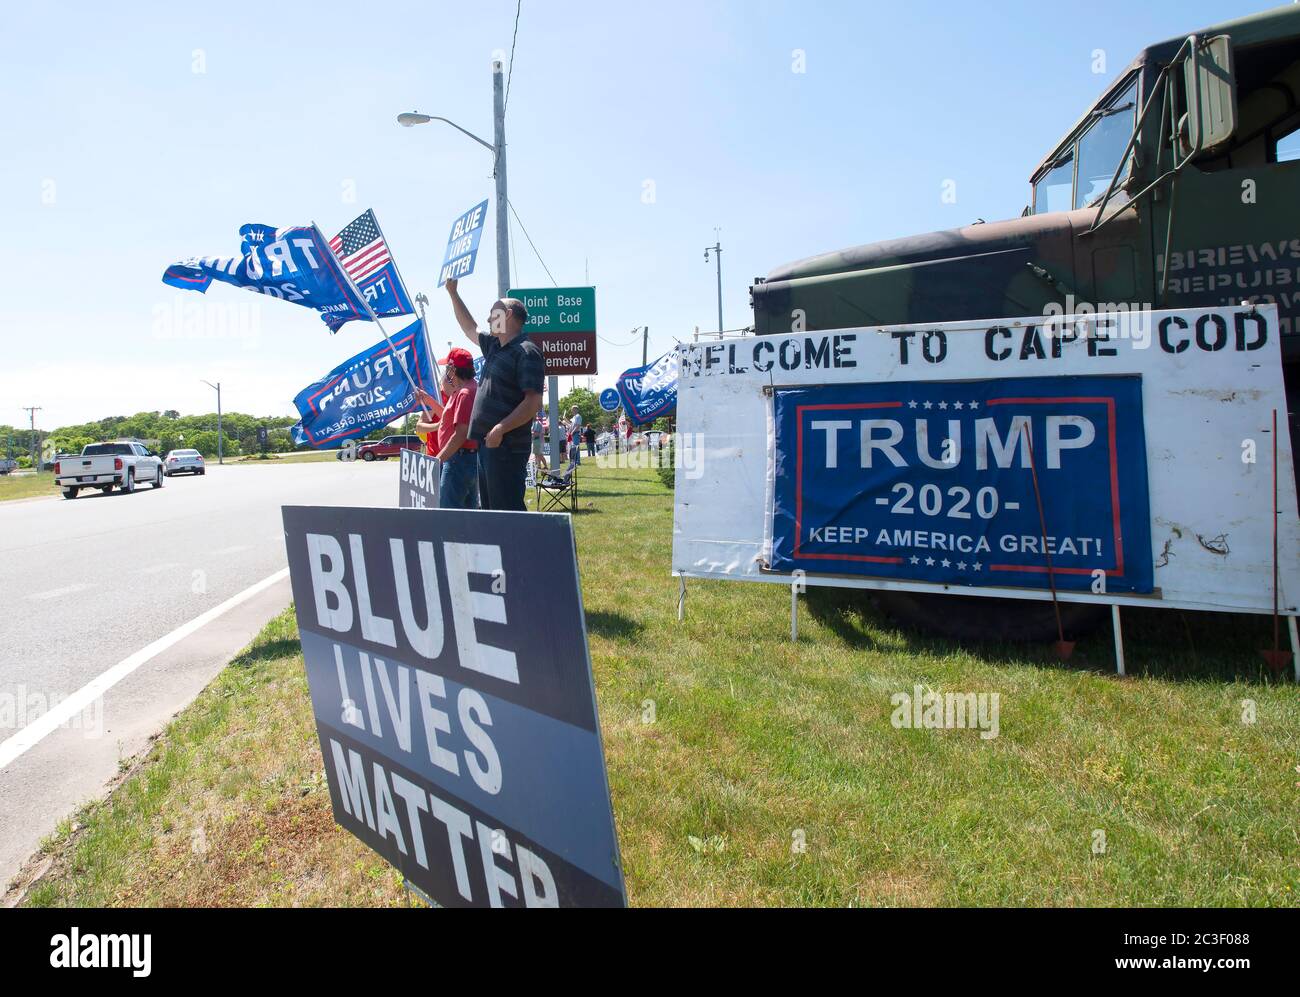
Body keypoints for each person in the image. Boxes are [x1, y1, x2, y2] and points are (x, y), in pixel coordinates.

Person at [445, 278, 543, 511]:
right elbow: (470, 327)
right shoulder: (494, 346)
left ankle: (521, 549)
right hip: (488, 445)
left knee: (507, 513)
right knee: (491, 512)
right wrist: (453, 293)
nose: (489, 319)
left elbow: (533, 402)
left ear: (507, 314)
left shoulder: (527, 352)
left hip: (506, 447)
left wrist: (501, 428)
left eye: (493, 314)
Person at [414, 348, 479, 509]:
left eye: (448, 369)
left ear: (453, 370)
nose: (446, 373)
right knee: (467, 514)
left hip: (459, 460)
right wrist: (429, 400)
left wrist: (437, 460)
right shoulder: (469, 389)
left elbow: (460, 434)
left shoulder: (464, 393)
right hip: (467, 459)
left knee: (448, 512)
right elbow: (448, 420)